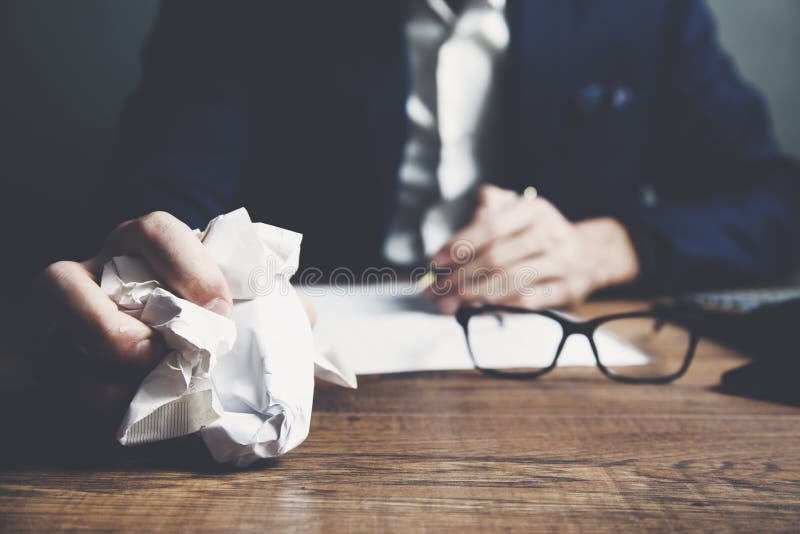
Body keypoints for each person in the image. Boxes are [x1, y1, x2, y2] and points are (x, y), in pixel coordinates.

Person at [33, 0, 800, 414]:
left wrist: (611, 246)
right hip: (307, 400)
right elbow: (162, 192)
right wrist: (160, 265)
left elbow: (774, 200)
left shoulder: (645, 12)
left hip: (575, 396)